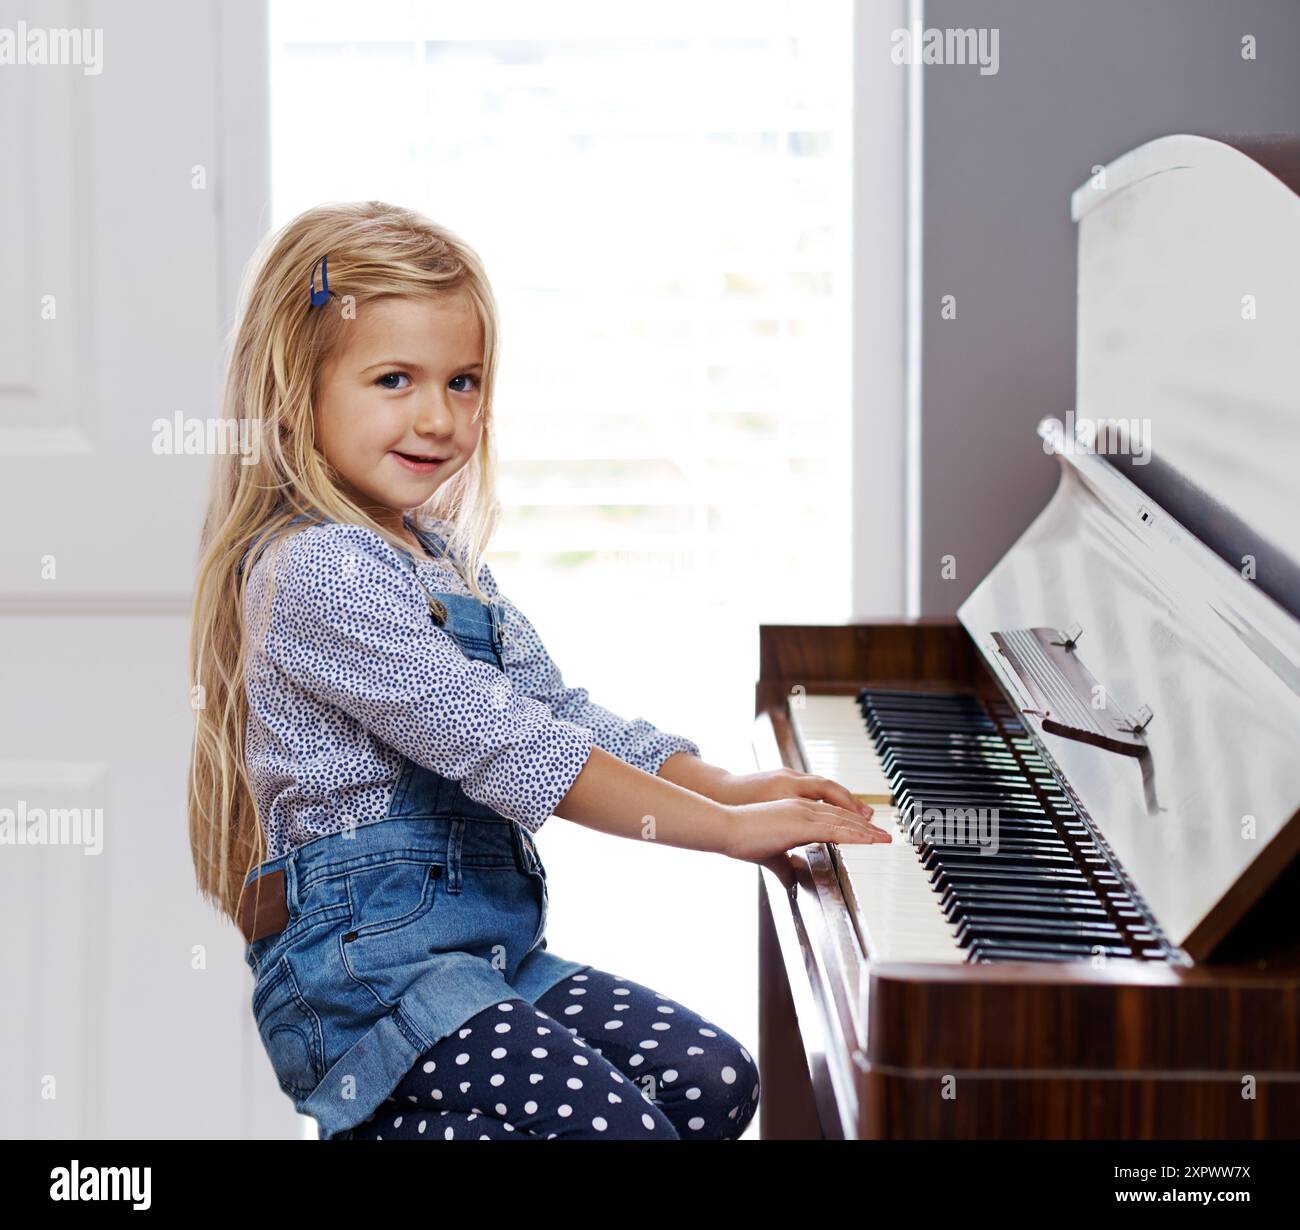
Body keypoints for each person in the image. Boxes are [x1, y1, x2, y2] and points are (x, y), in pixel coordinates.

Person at [186, 201, 889, 1141]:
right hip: (369, 981)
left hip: (483, 955)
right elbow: (504, 745)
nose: (439, 416)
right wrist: (723, 830)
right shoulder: (317, 570)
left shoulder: (439, 559)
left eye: (464, 381)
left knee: (712, 1080)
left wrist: (723, 780)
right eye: (395, 379)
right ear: (297, 388)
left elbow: (555, 714)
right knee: (616, 1129)